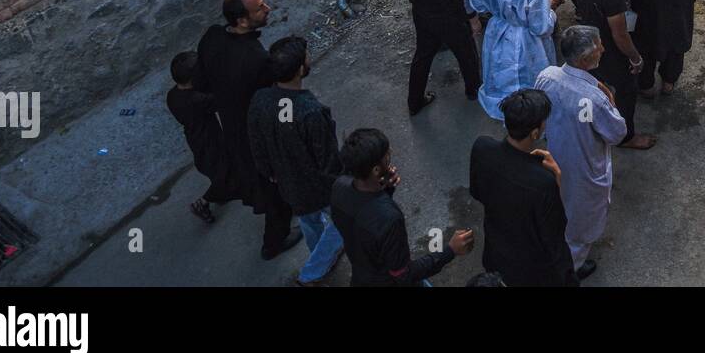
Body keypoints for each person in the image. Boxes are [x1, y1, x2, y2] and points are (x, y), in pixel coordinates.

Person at [194, 0, 301, 260]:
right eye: (260, 8)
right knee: (274, 187)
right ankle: (274, 242)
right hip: (254, 135)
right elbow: (270, 103)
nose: (268, 8)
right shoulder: (257, 60)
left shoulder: (212, 38)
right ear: (242, 20)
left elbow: (202, 82)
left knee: (261, 182)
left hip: (230, 127)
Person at [534, 25, 628, 280]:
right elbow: (617, 133)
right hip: (586, 166)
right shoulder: (594, 99)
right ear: (585, 59)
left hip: (555, 154)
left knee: (560, 207)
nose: (603, 49)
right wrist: (609, 98)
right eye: (599, 46)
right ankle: (572, 267)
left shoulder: (547, 75)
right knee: (581, 222)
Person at [247, 37, 343, 286]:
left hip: (288, 184)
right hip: (319, 187)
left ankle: (322, 260)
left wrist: (271, 173)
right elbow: (328, 161)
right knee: (342, 222)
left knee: (311, 225)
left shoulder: (259, 100)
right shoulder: (310, 112)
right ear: (301, 69)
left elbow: (256, 143)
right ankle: (312, 272)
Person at [331, 128, 474, 286]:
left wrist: (385, 190)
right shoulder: (390, 219)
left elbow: (365, 218)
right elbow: (402, 274)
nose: (391, 152)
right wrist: (450, 250)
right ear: (376, 170)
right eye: (386, 155)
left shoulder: (339, 186)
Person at [469, 89, 578, 286]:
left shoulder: (482, 147)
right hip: (533, 270)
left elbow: (477, 192)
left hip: (496, 253)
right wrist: (557, 180)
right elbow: (554, 235)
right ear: (535, 132)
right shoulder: (543, 182)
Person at [571, 0, 656, 150]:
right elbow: (620, 35)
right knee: (626, 89)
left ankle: (587, 123)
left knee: (590, 85)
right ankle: (626, 136)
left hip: (583, 42)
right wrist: (636, 58)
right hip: (606, 48)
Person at [167, 51, 236, 224]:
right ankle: (203, 202)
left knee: (216, 170)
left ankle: (222, 194)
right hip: (210, 140)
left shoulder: (173, 95)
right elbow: (221, 101)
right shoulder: (197, 99)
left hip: (195, 139)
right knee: (224, 171)